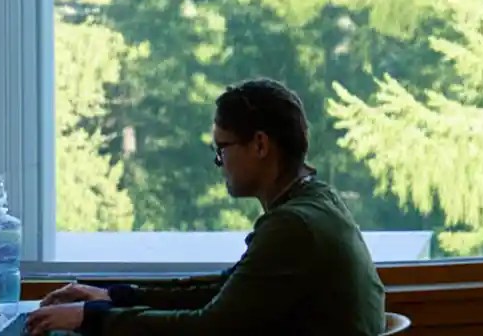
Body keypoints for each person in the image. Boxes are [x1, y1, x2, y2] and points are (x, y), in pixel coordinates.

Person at [26, 78, 386, 336]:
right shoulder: (319, 201)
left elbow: (208, 326)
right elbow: (226, 292)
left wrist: (91, 319)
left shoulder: (293, 227)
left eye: (222, 148)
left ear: (260, 145)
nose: (219, 163)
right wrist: (115, 296)